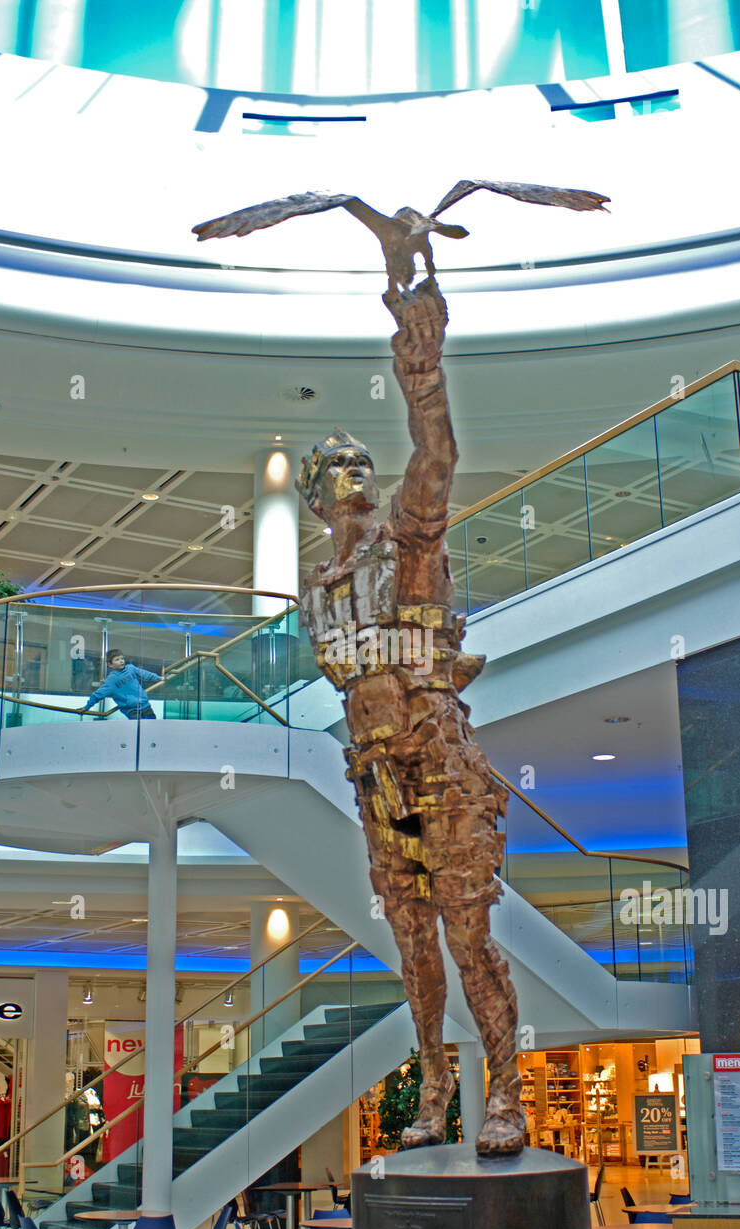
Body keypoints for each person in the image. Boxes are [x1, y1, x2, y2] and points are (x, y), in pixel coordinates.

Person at [297, 276, 523, 1156]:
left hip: (441, 765)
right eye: (335, 471)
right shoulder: (316, 594)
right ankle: (433, 1093)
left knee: (469, 936)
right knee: (413, 948)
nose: (354, 474)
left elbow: (435, 461)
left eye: (361, 464)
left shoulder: (407, 539)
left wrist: (419, 370)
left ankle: (502, 1093)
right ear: (317, 499)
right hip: (376, 778)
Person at [81, 650, 159, 720]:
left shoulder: (131, 668)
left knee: (152, 729)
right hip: (132, 711)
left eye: (122, 658)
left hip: (146, 706)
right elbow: (98, 695)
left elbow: (146, 674)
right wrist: (87, 707)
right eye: (117, 660)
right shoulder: (111, 680)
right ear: (110, 664)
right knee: (139, 732)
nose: (121, 661)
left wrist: (160, 678)